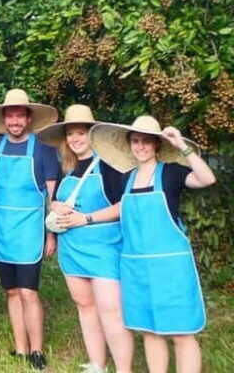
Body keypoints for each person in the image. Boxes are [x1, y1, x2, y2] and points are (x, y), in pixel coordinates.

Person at [90, 116, 215, 373]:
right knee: (150, 330)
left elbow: (207, 179)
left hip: (171, 268)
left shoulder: (171, 172)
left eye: (146, 141)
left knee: (181, 333)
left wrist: (182, 145)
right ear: (129, 145)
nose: (141, 146)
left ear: (156, 145)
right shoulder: (127, 178)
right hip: (137, 267)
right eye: (135, 141)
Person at [37, 105, 134, 373]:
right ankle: (97, 364)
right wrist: (54, 207)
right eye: (70, 134)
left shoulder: (110, 166)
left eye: (81, 133)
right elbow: (56, 200)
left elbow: (124, 206)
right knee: (85, 306)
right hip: (72, 249)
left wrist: (86, 219)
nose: (75, 139)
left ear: (92, 134)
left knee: (111, 313)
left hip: (105, 248)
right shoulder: (66, 167)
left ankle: (124, 369)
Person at [0, 89, 59, 370]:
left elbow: (52, 197)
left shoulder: (43, 150)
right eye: (10, 115)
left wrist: (51, 234)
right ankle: (21, 348)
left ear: (28, 118)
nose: (14, 120)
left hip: (29, 232)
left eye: (19, 114)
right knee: (11, 292)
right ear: (4, 119)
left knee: (28, 293)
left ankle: (36, 351)